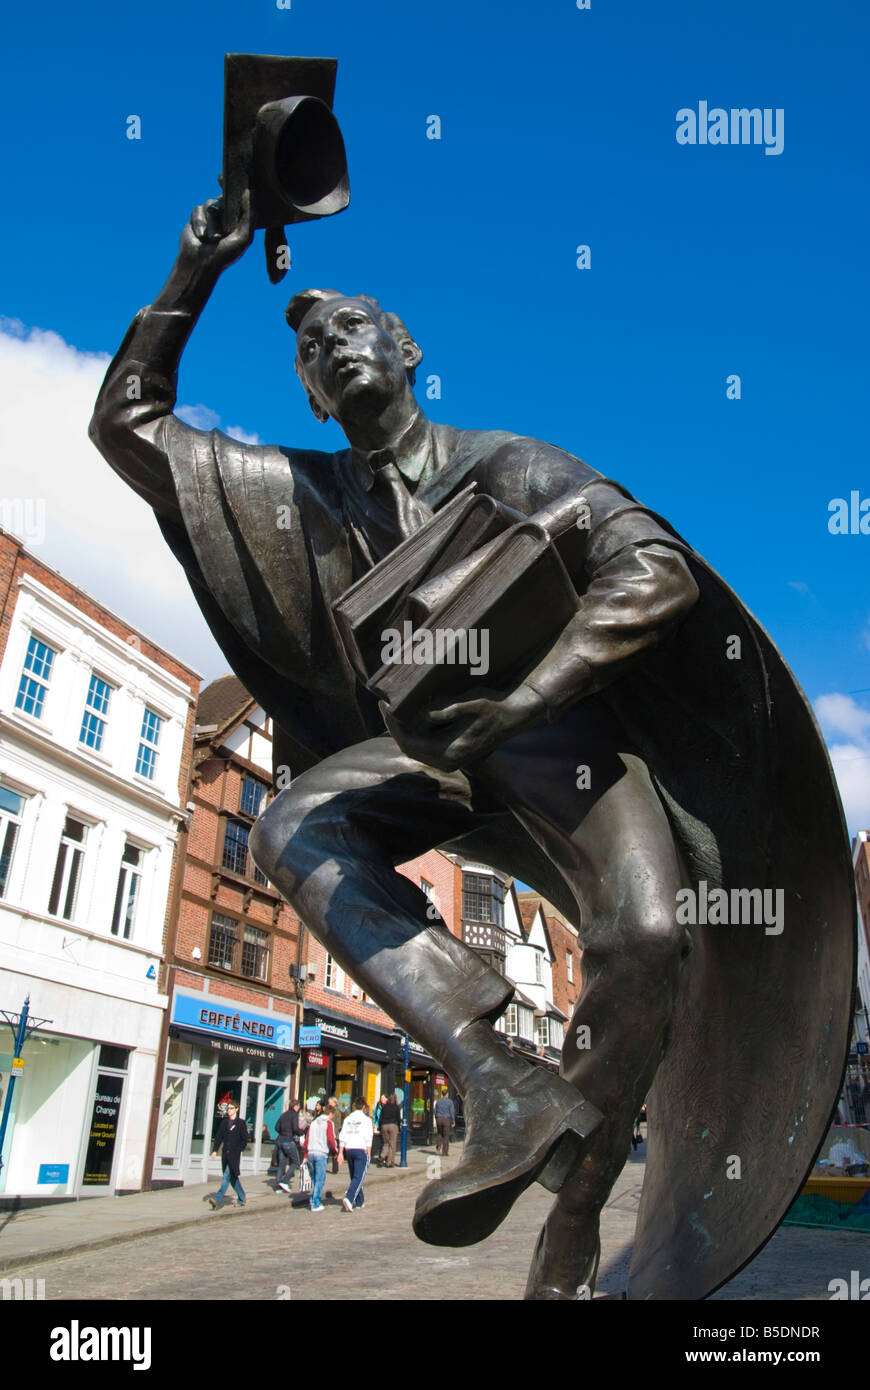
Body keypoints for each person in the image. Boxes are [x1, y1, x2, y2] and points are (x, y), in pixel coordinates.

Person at [89, 190, 854, 1300]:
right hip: (428, 758)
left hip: (560, 739)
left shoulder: (502, 463)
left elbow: (656, 572)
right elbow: (125, 427)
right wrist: (193, 270)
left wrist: (523, 695)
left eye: (353, 326)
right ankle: (495, 1073)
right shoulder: (301, 497)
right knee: (294, 819)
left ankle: (577, 1208)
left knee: (644, 936)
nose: (331, 347)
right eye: (310, 347)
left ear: (406, 350)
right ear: (305, 389)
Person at [209, 1102, 249, 1209]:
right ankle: (242, 1197)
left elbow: (245, 1139)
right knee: (232, 1178)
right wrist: (214, 1150)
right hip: (225, 1154)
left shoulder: (241, 1123)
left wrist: (239, 1149)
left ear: (236, 1109)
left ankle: (217, 1199)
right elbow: (218, 1137)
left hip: (234, 1155)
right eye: (228, 1109)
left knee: (226, 1177)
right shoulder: (224, 1123)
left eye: (231, 1108)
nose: (229, 1110)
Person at [303, 1103, 340, 1212]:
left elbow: (307, 1139)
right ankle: (315, 1203)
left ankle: (312, 1199)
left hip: (311, 1151)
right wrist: (335, 1151)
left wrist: (305, 1152)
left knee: (314, 1178)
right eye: (333, 1115)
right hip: (321, 1152)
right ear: (330, 1114)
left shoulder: (313, 1123)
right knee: (320, 1178)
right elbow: (331, 1139)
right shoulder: (328, 1123)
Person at [339, 1096, 374, 1211]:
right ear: (364, 1107)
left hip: (349, 1149)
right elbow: (369, 1136)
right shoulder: (366, 1120)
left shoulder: (348, 1119)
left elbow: (342, 1135)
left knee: (354, 1176)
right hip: (360, 1148)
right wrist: (369, 1151)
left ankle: (360, 1201)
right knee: (359, 1176)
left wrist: (340, 1152)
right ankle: (349, 1198)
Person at [275, 1101, 302, 1193]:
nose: (299, 1108)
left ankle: (278, 1185)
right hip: (288, 1140)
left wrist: (282, 1132)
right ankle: (285, 1181)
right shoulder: (294, 1115)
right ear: (295, 1106)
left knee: (282, 1163)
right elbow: (295, 1128)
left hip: (280, 1140)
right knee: (296, 1162)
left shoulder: (283, 1115)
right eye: (298, 1106)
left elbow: (276, 1127)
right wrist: (301, 1132)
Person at [378, 1093, 401, 1168]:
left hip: (384, 1125)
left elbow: (381, 1117)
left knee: (386, 1143)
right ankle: (390, 1162)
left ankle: (382, 1156)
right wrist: (399, 1127)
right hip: (393, 1125)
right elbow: (398, 1118)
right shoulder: (396, 1107)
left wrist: (379, 1127)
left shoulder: (384, 1107)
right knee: (392, 1144)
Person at [434, 1089, 456, 1156]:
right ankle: (445, 1152)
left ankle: (438, 1146)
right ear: (447, 1094)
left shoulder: (438, 1101)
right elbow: (452, 1112)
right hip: (446, 1119)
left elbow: (435, 1110)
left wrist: (436, 1117)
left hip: (439, 1119)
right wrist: (453, 1121)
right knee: (446, 1136)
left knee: (439, 1133)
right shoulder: (450, 1102)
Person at [327, 1096, 342, 1173]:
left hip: (334, 1135)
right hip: (328, 1134)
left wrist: (334, 1134)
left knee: (334, 1152)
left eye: (330, 1103)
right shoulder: (328, 1110)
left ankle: (335, 1169)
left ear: (335, 1103)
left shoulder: (337, 1112)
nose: (329, 1104)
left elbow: (338, 1124)